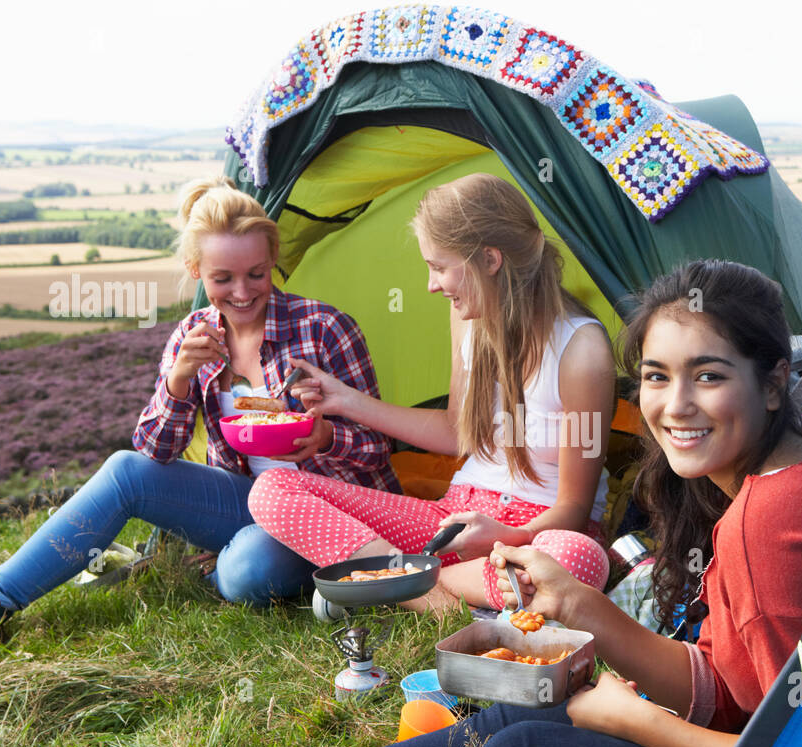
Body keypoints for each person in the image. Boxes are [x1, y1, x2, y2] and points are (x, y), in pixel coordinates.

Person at [90, 260, 802, 747]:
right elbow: (735, 688)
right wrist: (587, 611)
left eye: (708, 376)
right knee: (539, 705)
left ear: (775, 381)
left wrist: (633, 718)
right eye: (655, 376)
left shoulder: (775, 518)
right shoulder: (780, 487)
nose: (674, 406)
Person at [0, 176, 400, 640]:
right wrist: (179, 379)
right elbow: (154, 452)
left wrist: (325, 438)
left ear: (273, 260)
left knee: (247, 570)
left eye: (256, 274)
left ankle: (233, 569)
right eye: (223, 279)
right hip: (251, 501)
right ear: (196, 270)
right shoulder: (192, 335)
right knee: (125, 471)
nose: (242, 292)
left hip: (331, 510)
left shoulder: (324, 327)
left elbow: (379, 448)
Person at [244, 172, 615, 613]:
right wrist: (343, 399)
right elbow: (458, 433)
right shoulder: (469, 319)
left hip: (534, 531)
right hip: (454, 520)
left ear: (490, 260)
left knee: (577, 558)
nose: (431, 285)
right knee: (272, 489)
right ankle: (439, 596)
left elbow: (574, 507)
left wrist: (503, 535)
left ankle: (395, 584)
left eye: (439, 267)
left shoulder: (581, 351)